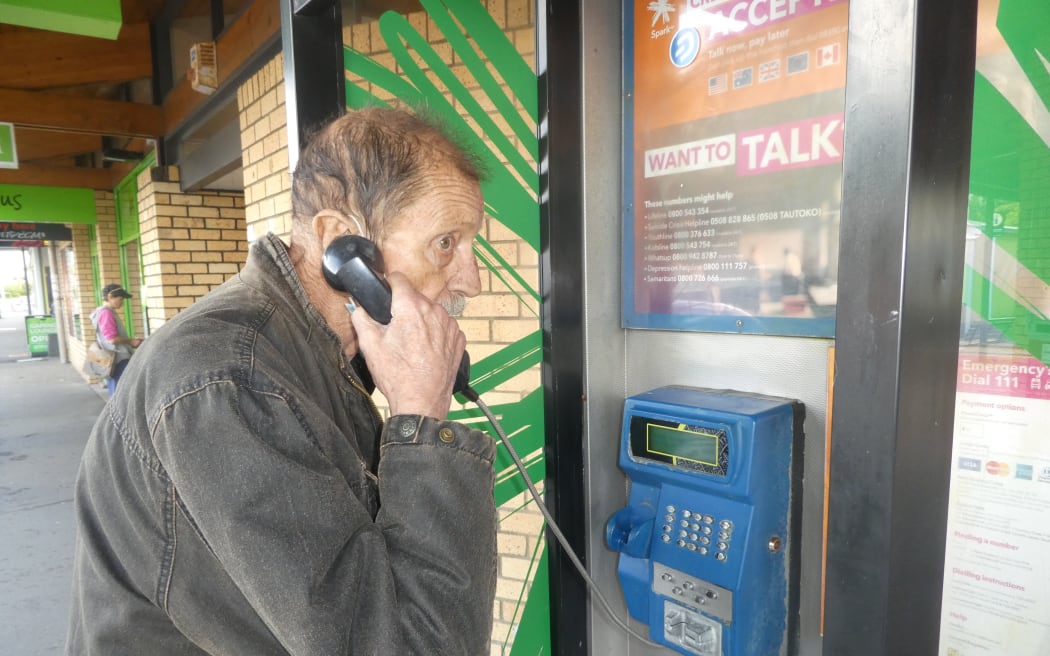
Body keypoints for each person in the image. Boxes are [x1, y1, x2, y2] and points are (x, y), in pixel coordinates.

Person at [66, 107, 498, 655]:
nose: (471, 280)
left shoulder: (316, 361)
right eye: (445, 243)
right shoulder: (230, 383)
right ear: (343, 243)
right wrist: (421, 414)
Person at [89, 283, 143, 394]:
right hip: (117, 358)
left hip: (112, 357)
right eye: (120, 299)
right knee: (120, 391)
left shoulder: (101, 312)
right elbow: (112, 339)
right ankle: (116, 411)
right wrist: (130, 341)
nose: (122, 302)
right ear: (110, 297)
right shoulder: (106, 313)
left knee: (116, 388)